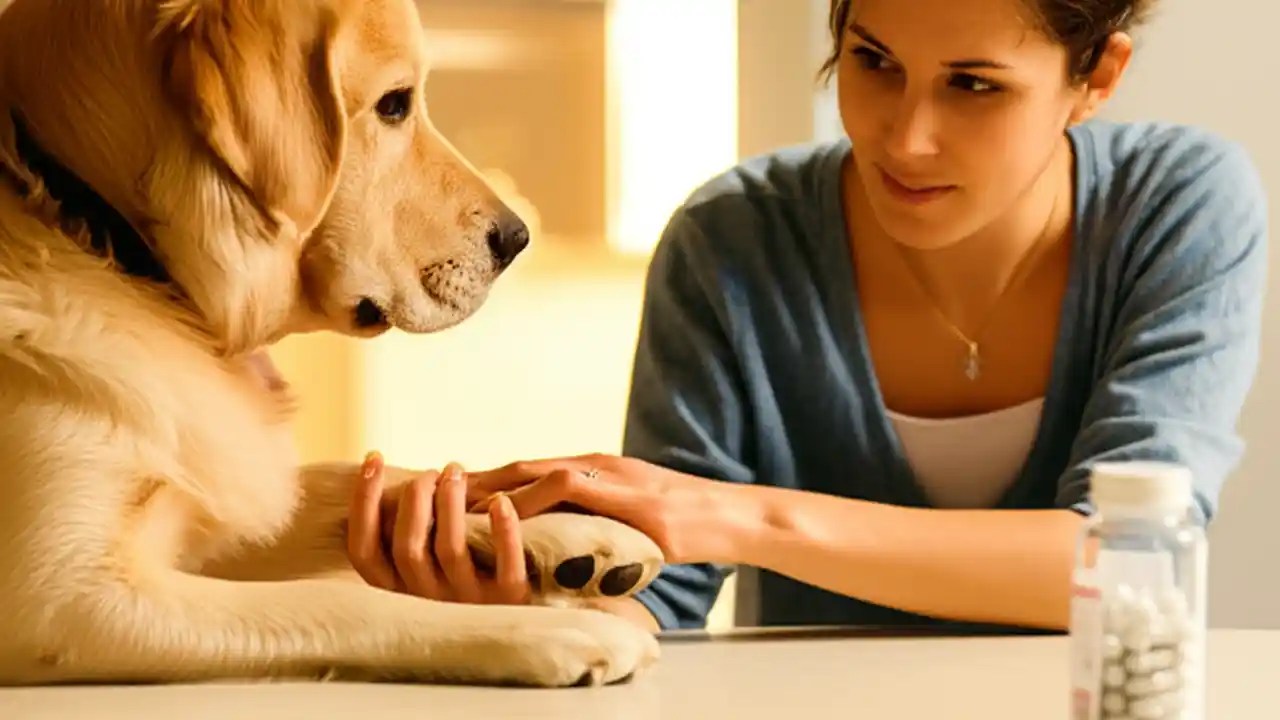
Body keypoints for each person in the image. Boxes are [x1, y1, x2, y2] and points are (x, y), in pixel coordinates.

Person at [346, 0, 1269, 634]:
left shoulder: (1180, 204)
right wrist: (530, 601)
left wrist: (740, 518)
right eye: (874, 61)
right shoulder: (732, 240)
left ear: (1096, 76)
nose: (904, 136)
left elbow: (1127, 569)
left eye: (974, 84)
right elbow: (662, 602)